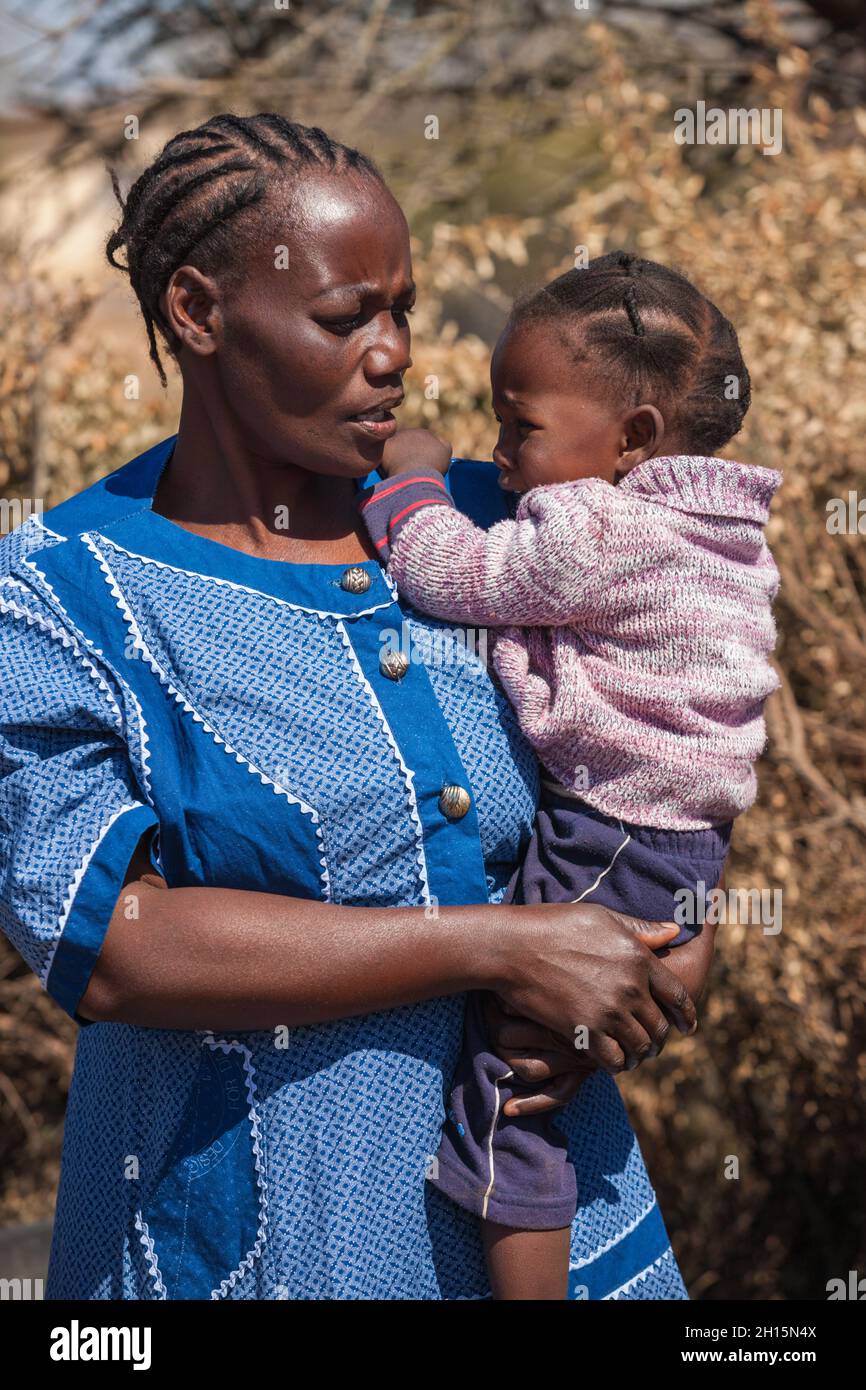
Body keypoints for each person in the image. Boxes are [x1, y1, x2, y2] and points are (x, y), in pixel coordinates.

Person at [0, 115, 700, 1300]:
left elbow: (673, 722)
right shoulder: (69, 592)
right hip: (265, 1250)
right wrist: (500, 946)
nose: (395, 354)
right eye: (344, 318)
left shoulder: (498, 525)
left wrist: (671, 936)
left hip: (567, 1241)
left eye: (403, 309)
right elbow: (110, 941)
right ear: (198, 312)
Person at [357, 251, 780, 1298]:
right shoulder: (721, 525)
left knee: (514, 1083)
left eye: (520, 425)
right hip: (680, 841)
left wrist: (409, 478)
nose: (500, 457)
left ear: (630, 439)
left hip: (609, 833)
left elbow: (455, 574)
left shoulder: (598, 522)